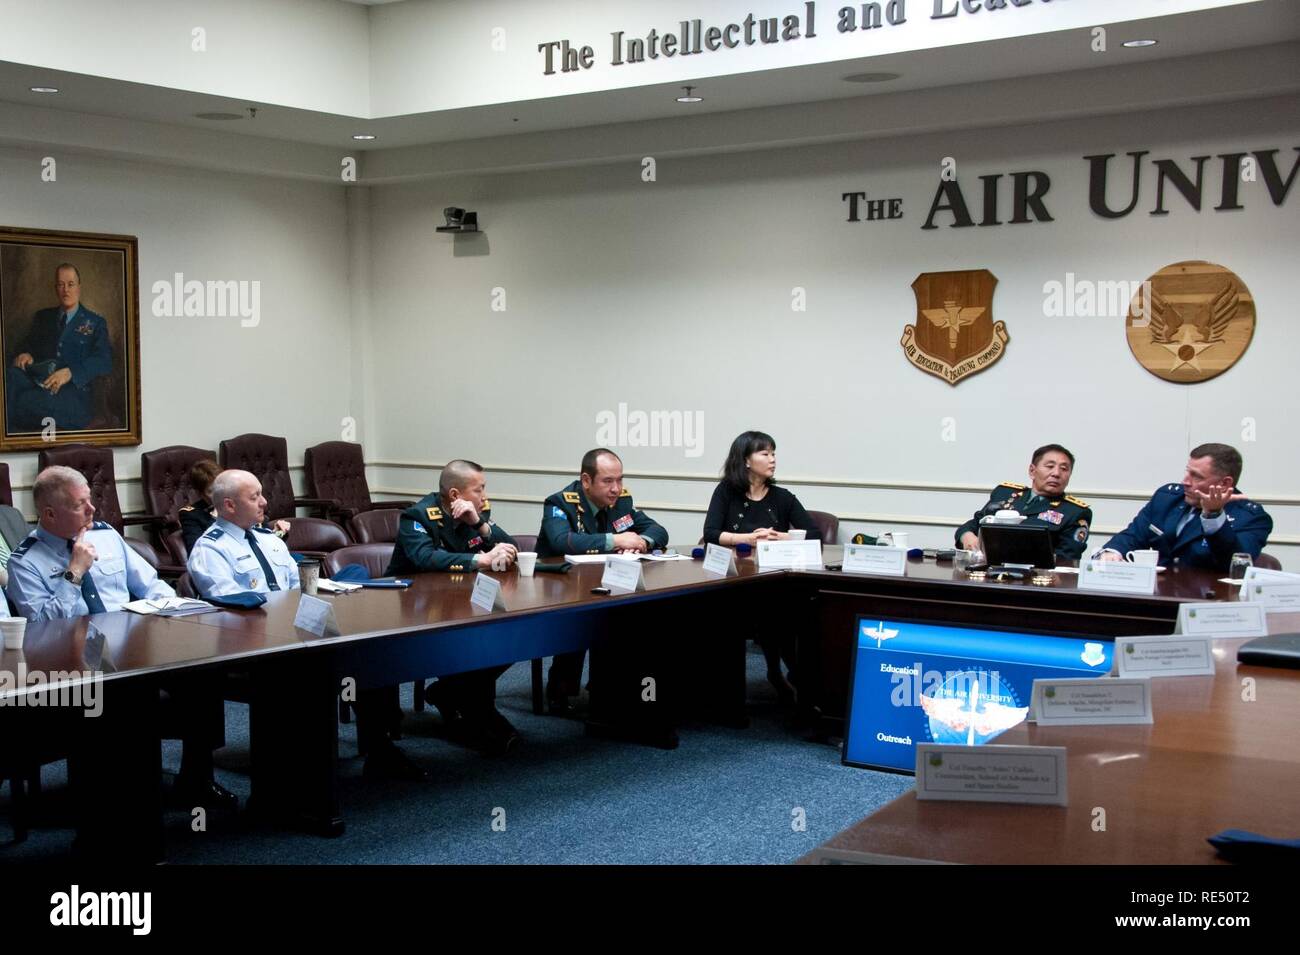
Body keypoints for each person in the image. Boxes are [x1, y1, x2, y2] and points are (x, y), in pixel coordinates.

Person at [5, 465, 232, 808]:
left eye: (91, 500)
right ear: (50, 513)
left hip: (134, 642)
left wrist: (175, 609)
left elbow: (150, 585)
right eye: (81, 505)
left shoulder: (107, 535)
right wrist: (75, 572)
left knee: (203, 675)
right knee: (125, 694)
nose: (92, 510)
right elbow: (42, 628)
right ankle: (120, 799)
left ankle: (196, 779)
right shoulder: (26, 561)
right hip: (72, 662)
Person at [186, 469, 425, 780]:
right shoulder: (211, 548)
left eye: (261, 493)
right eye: (254, 496)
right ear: (229, 505)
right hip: (253, 644)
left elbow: (297, 587)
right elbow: (229, 604)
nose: (264, 502)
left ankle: (379, 748)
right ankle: (307, 770)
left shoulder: (268, 539)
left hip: (297, 631)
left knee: (370, 654)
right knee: (330, 665)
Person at [387, 459, 520, 755]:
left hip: (461, 602)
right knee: (482, 644)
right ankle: (476, 713)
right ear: (455, 495)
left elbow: (511, 549)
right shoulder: (418, 516)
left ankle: (451, 693)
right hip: (412, 610)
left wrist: (481, 525)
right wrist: (479, 560)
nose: (485, 496)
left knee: (508, 639)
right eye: (479, 489)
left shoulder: (475, 513)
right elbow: (425, 559)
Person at [537, 448, 668, 714]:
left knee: (632, 616)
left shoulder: (621, 502)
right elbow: (563, 541)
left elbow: (658, 530)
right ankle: (559, 691)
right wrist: (617, 540)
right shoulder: (560, 503)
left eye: (619, 480)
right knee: (580, 618)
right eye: (608, 481)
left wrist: (643, 541)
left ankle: (608, 686)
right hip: (559, 584)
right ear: (586, 481)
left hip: (605, 582)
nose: (616, 488)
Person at [703, 430, 819, 702]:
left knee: (788, 615)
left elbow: (814, 534)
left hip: (774, 580)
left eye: (773, 453)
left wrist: (783, 536)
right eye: (765, 453)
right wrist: (749, 538)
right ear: (745, 460)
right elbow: (710, 533)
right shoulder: (725, 493)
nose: (772, 459)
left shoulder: (782, 497)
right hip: (732, 582)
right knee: (766, 615)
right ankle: (775, 678)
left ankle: (798, 681)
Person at [1100, 443, 1272, 571]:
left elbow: (1234, 566)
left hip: (1207, 605)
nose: (1185, 482)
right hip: (1156, 598)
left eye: (1196, 476)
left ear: (1225, 483)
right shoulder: (1167, 498)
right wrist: (1111, 553)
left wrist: (1213, 515)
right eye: (1187, 472)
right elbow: (1132, 535)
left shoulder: (1251, 517)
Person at [5, 264, 113, 431]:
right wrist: (25, 353)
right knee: (10, 378)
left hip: (73, 395)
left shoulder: (96, 323)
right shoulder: (43, 317)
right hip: (39, 382)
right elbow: (28, 344)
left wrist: (71, 372)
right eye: (61, 284)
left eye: (70, 284)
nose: (65, 290)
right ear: (56, 288)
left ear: (79, 287)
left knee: (25, 401)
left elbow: (103, 361)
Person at [955, 444, 1092, 560]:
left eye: (1064, 469)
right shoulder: (1005, 493)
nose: (1056, 473)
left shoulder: (1075, 512)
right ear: (1032, 471)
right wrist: (966, 536)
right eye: (1050, 466)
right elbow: (975, 523)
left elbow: (1066, 558)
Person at [179, 458, 288, 555]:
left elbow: (267, 545)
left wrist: (279, 532)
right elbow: (198, 553)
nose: (220, 494)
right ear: (200, 493)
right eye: (212, 491)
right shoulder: (191, 514)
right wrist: (219, 517)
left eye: (222, 488)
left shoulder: (241, 503)